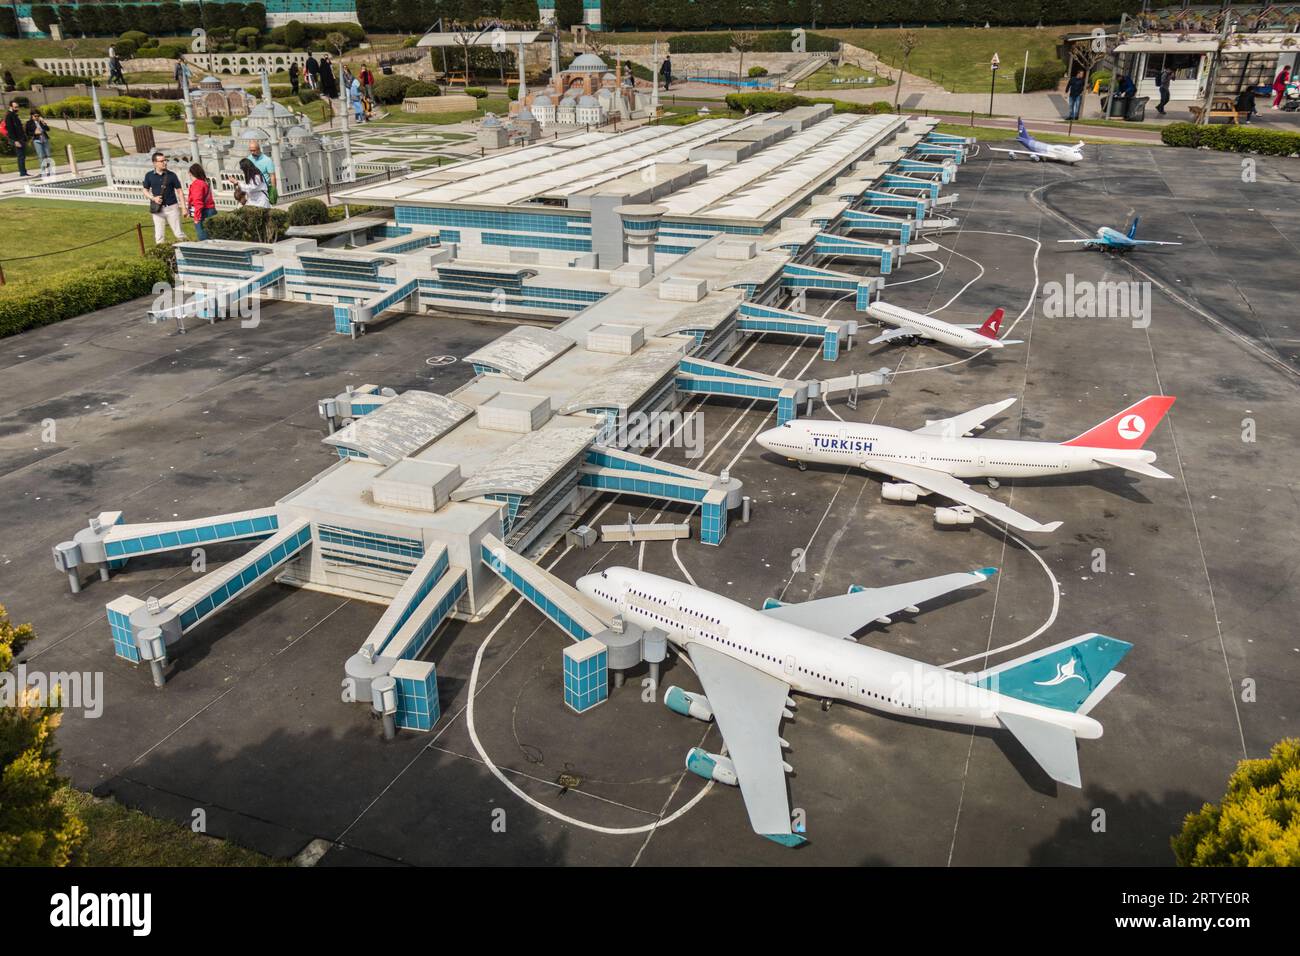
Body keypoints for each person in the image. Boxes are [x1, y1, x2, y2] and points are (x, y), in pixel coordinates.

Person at [142, 151, 184, 243]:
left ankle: (188, 251)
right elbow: (145, 190)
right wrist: (153, 198)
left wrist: (184, 208)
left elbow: (180, 191)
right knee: (159, 236)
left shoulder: (172, 175)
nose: (165, 162)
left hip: (172, 208)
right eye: (162, 161)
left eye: (165, 160)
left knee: (179, 234)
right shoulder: (149, 175)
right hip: (157, 209)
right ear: (155, 163)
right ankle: (161, 255)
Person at [186, 163, 217, 240]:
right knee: (213, 235)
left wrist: (196, 218)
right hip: (210, 210)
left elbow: (198, 202)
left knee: (203, 237)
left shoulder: (197, 184)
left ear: (190, 173)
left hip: (204, 212)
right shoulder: (203, 182)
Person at [3, 100, 28, 177]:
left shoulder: (14, 114)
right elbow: (10, 130)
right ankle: (22, 173)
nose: (17, 108)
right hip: (17, 140)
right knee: (20, 156)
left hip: (21, 138)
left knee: (23, 156)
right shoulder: (9, 115)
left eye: (17, 106)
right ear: (11, 107)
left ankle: (24, 171)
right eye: (15, 107)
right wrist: (15, 141)